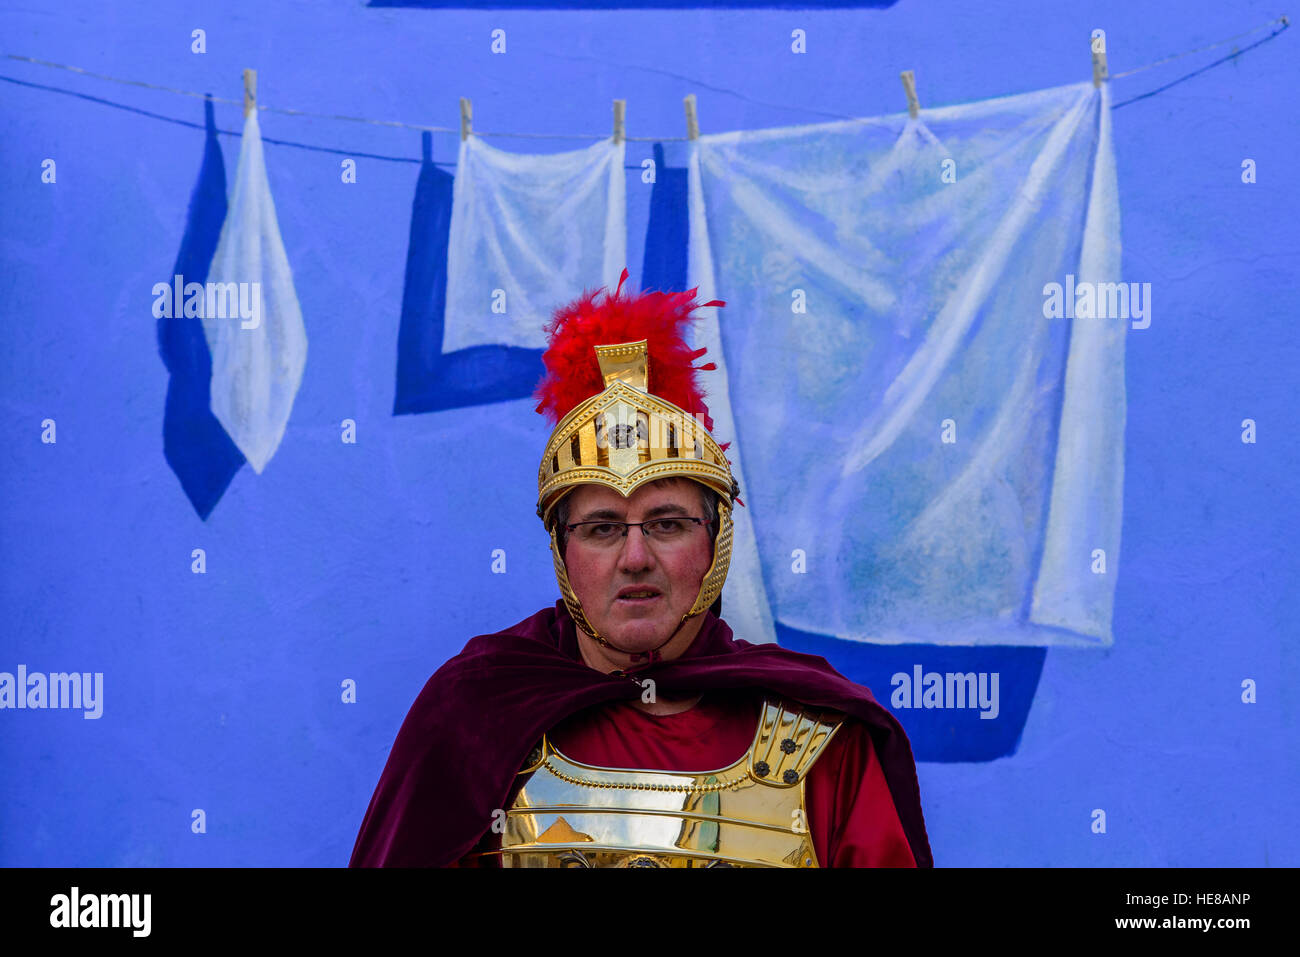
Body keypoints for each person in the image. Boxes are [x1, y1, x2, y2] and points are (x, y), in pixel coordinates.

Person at [348, 270, 933, 868]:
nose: (634, 558)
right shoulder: (476, 719)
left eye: (667, 523)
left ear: (715, 542)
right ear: (562, 551)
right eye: (602, 529)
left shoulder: (819, 741)